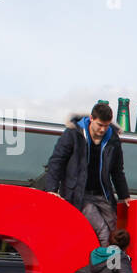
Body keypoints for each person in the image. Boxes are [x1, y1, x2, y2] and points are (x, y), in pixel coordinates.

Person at [44, 102, 130, 245]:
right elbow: (57, 161)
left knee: (114, 231)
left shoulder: (113, 139)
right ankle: (106, 266)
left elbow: (117, 170)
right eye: (100, 125)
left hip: (102, 194)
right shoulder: (73, 134)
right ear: (91, 118)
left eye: (106, 125)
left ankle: (110, 264)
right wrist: (51, 189)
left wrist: (124, 195)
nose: (103, 129)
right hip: (79, 194)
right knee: (102, 231)